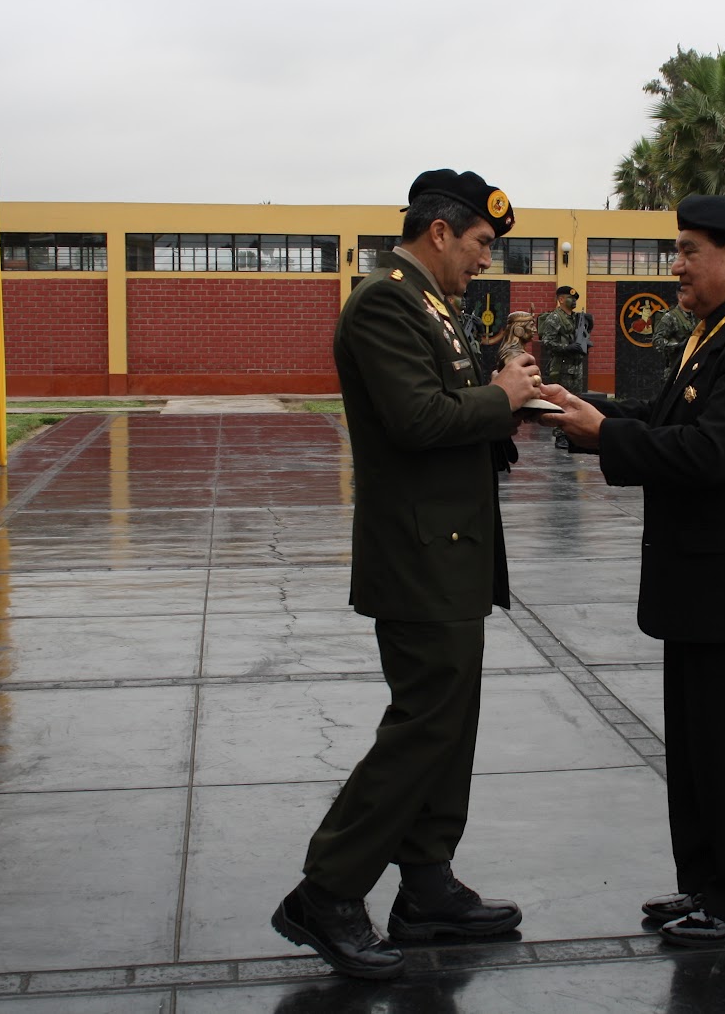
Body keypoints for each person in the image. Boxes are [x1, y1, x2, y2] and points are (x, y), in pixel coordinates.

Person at [272, 169, 541, 980]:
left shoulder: (431, 303)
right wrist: (500, 394)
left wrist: (510, 395)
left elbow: (453, 402)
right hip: (420, 554)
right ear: (439, 232)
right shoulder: (386, 301)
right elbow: (419, 418)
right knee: (423, 723)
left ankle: (425, 884)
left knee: (448, 725)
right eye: (481, 245)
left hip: (450, 551)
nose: (485, 261)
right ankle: (327, 889)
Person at [539, 194, 725, 949]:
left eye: (688, 250)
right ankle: (704, 881)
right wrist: (584, 408)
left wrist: (607, 436)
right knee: (698, 748)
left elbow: (709, 452)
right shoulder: (721, 330)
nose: (676, 265)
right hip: (705, 581)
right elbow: (670, 419)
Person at [538, 285, 590, 392]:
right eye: (571, 298)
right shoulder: (554, 318)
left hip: (577, 369)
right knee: (561, 401)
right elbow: (547, 341)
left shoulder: (577, 318)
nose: (574, 301)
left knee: (576, 402)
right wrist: (566, 347)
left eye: (575, 299)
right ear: (561, 300)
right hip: (562, 369)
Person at [652, 300, 697, 374]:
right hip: (676, 368)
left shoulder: (697, 315)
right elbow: (657, 341)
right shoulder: (671, 317)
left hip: (694, 366)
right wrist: (678, 346)